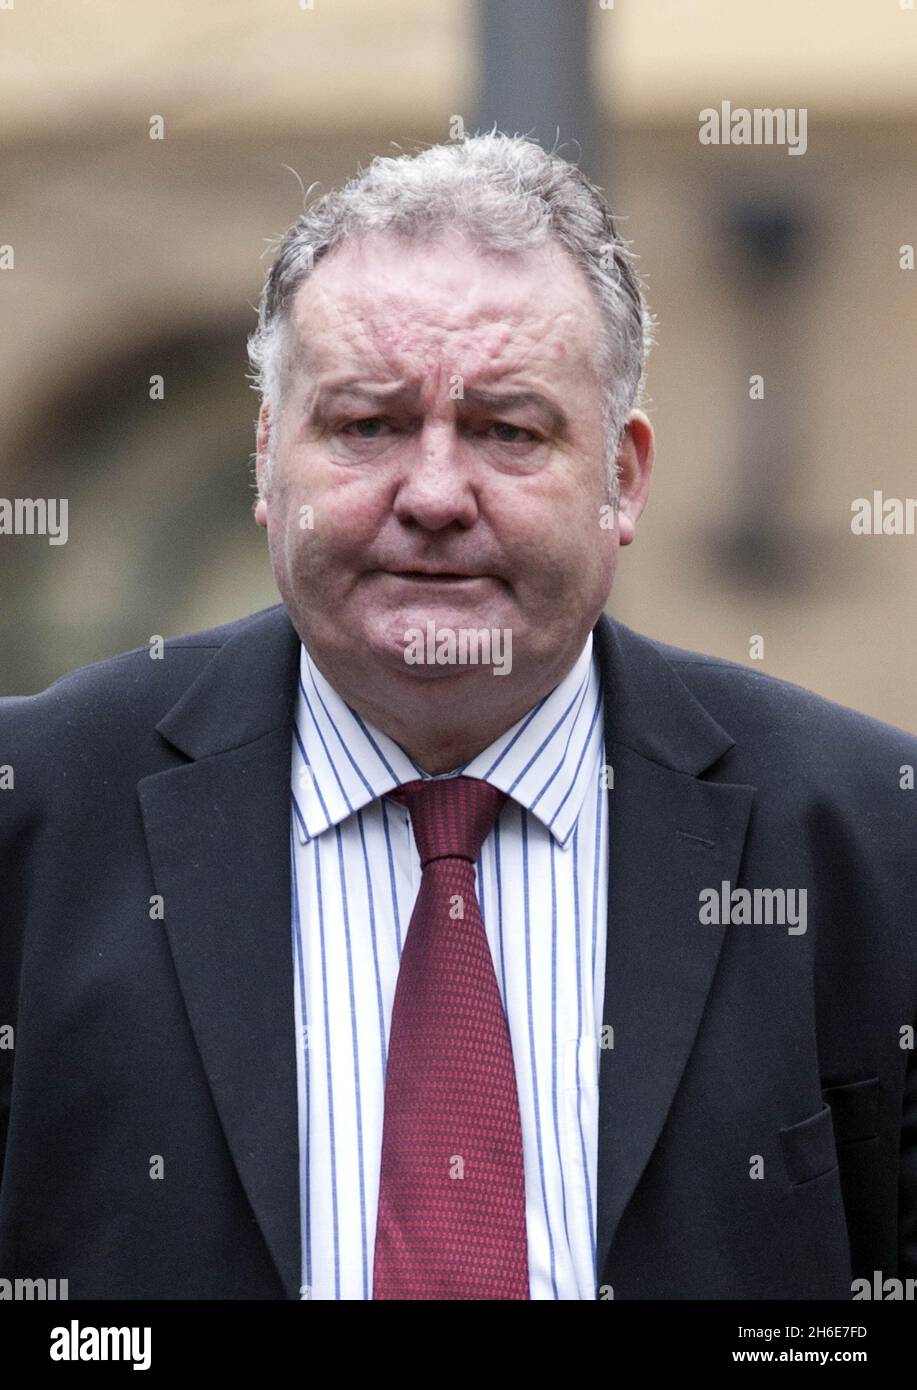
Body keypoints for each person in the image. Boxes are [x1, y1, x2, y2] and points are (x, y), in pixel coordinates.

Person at [1, 133, 915, 1301]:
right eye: (367, 426)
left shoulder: (867, 848)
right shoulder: (31, 817)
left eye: (508, 431)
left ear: (621, 481)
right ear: (268, 460)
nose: (432, 494)